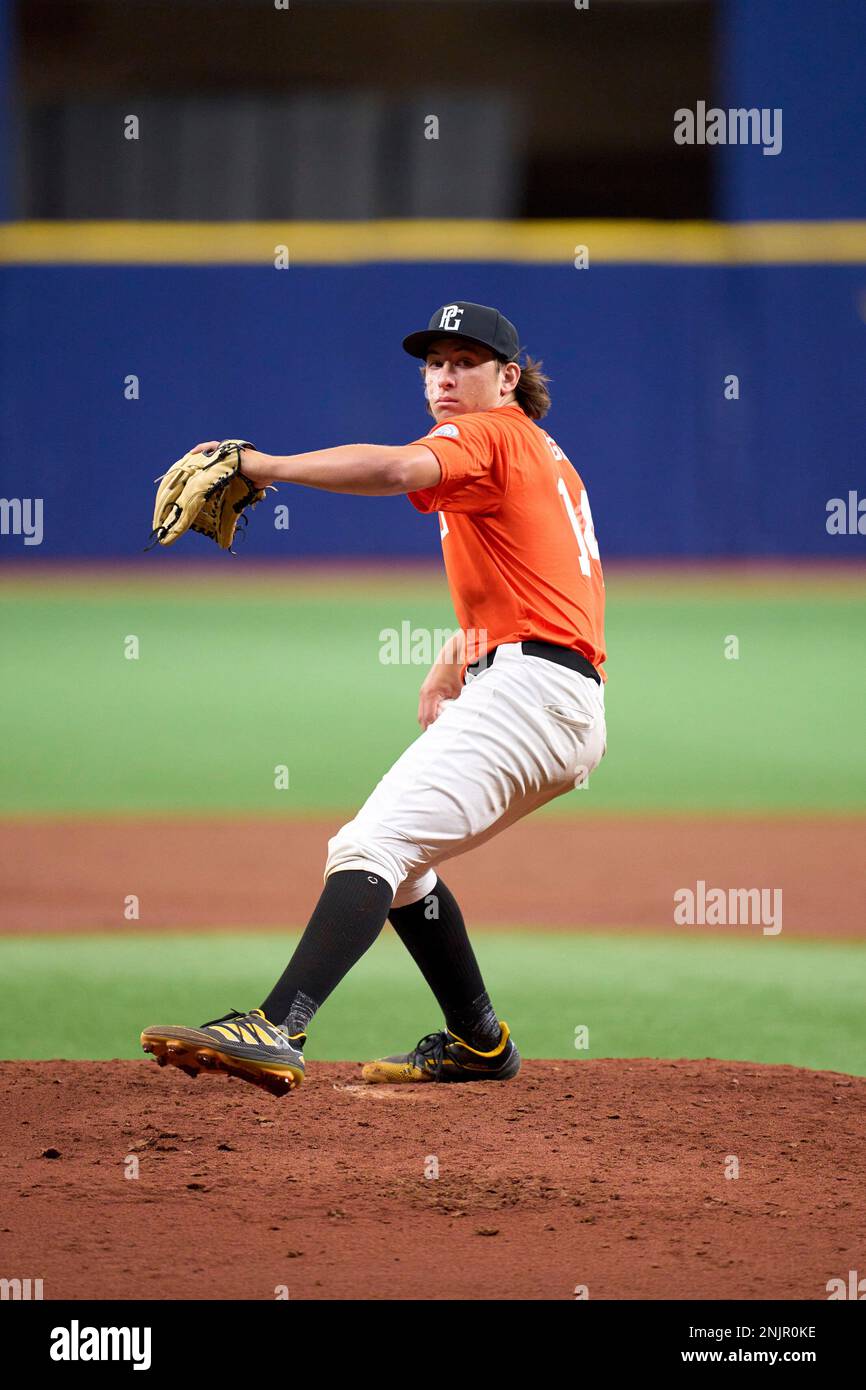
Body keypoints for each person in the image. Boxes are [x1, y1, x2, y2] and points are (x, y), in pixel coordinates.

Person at [141, 301, 607, 1095]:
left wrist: (263, 465)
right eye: (434, 363)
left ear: (509, 377)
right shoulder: (536, 455)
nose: (445, 377)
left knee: (368, 849)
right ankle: (478, 1039)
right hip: (552, 692)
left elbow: (395, 471)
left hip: (534, 692)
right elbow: (542, 576)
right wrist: (458, 652)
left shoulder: (490, 433)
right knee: (406, 868)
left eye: (465, 362)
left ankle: (277, 1025)